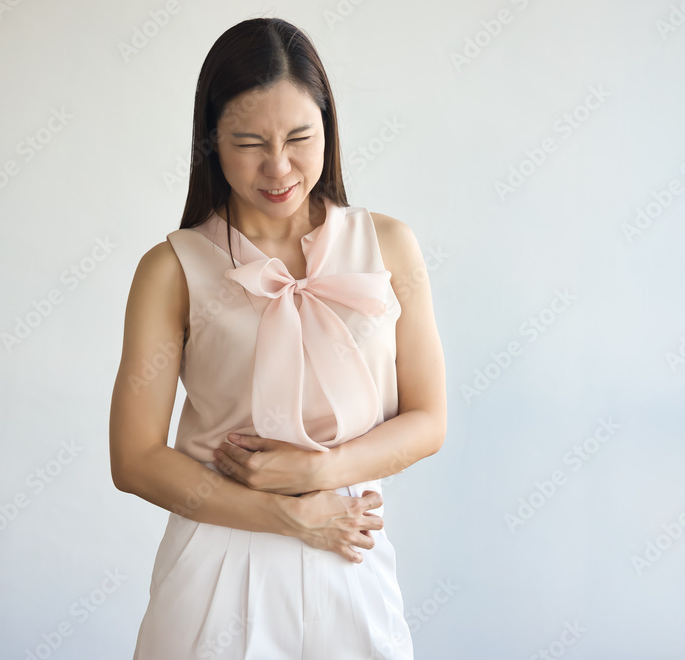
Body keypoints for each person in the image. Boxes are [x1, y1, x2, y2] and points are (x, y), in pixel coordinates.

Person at [109, 16, 447, 660]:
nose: (279, 166)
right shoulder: (171, 268)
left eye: (300, 137)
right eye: (246, 142)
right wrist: (285, 515)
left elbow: (429, 420)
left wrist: (322, 473)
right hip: (217, 554)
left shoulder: (390, 246)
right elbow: (133, 459)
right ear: (210, 139)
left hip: (350, 543)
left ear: (330, 127)